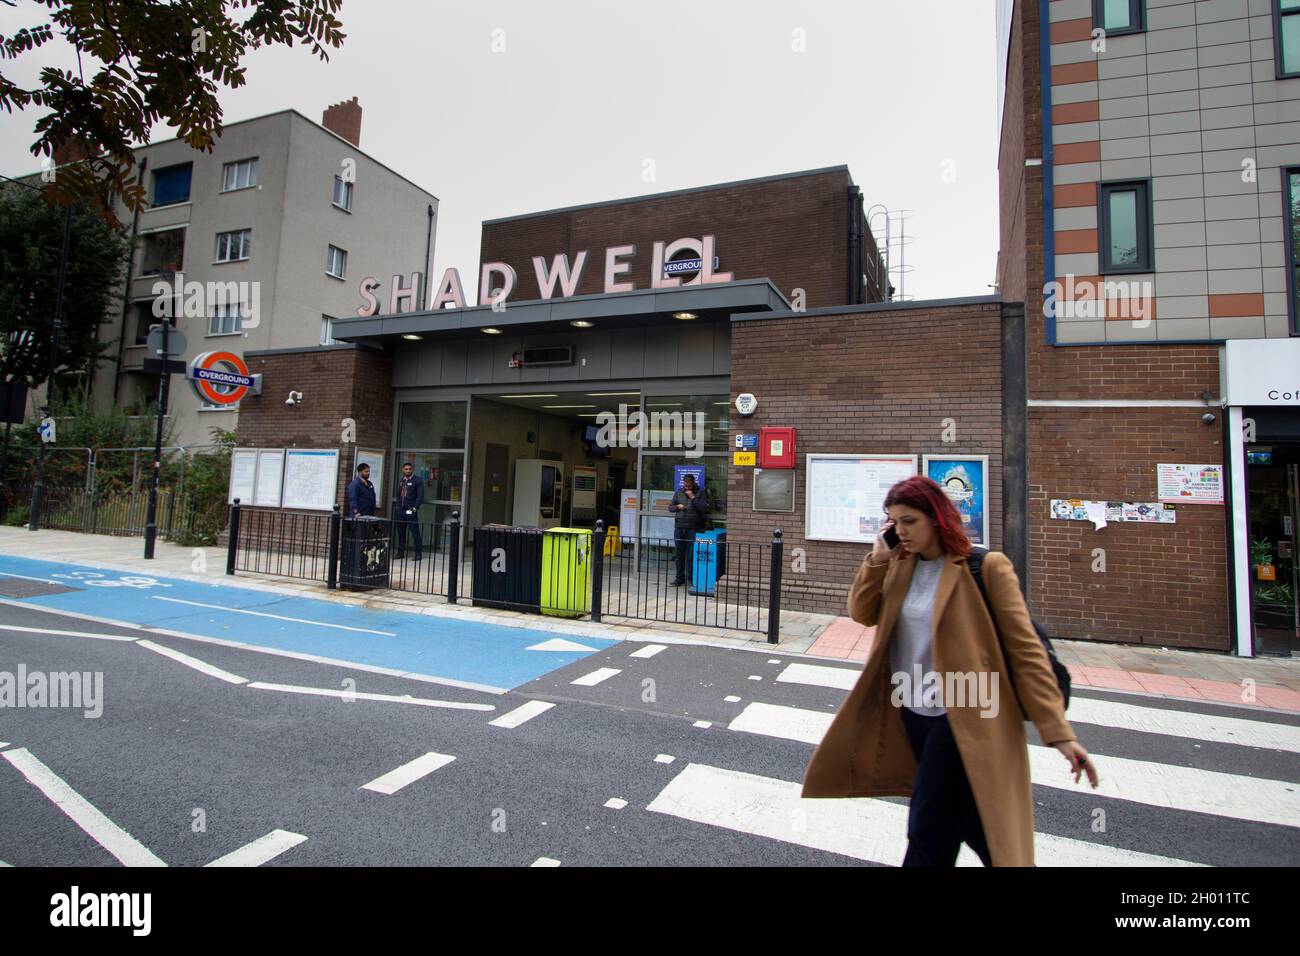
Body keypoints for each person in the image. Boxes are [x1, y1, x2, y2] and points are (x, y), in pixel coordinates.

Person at [801, 475, 1099, 867]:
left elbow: (1027, 652)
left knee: (927, 833)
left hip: (962, 717)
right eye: (894, 522)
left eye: (910, 521)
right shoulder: (900, 566)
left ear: (936, 517)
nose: (901, 531)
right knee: (972, 822)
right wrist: (878, 558)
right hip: (913, 714)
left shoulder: (984, 567)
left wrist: (1058, 733)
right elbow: (863, 612)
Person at [669, 473, 708, 586]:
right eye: (686, 483)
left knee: (691, 555)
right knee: (679, 555)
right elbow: (670, 508)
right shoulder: (679, 492)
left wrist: (693, 497)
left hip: (693, 528)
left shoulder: (700, 492)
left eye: (689, 483)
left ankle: (691, 579)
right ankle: (679, 578)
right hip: (679, 527)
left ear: (693, 483)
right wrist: (677, 507)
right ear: (683, 483)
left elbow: (703, 508)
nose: (687, 486)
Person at [394, 462, 424, 561]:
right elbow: (398, 495)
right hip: (400, 511)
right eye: (406, 469)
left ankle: (418, 553)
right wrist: (398, 507)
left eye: (409, 469)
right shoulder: (401, 480)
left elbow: (420, 496)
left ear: (412, 470)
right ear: (403, 470)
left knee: (415, 532)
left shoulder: (417, 480)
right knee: (401, 532)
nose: (407, 471)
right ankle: (400, 552)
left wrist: (415, 507)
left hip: (410, 510)